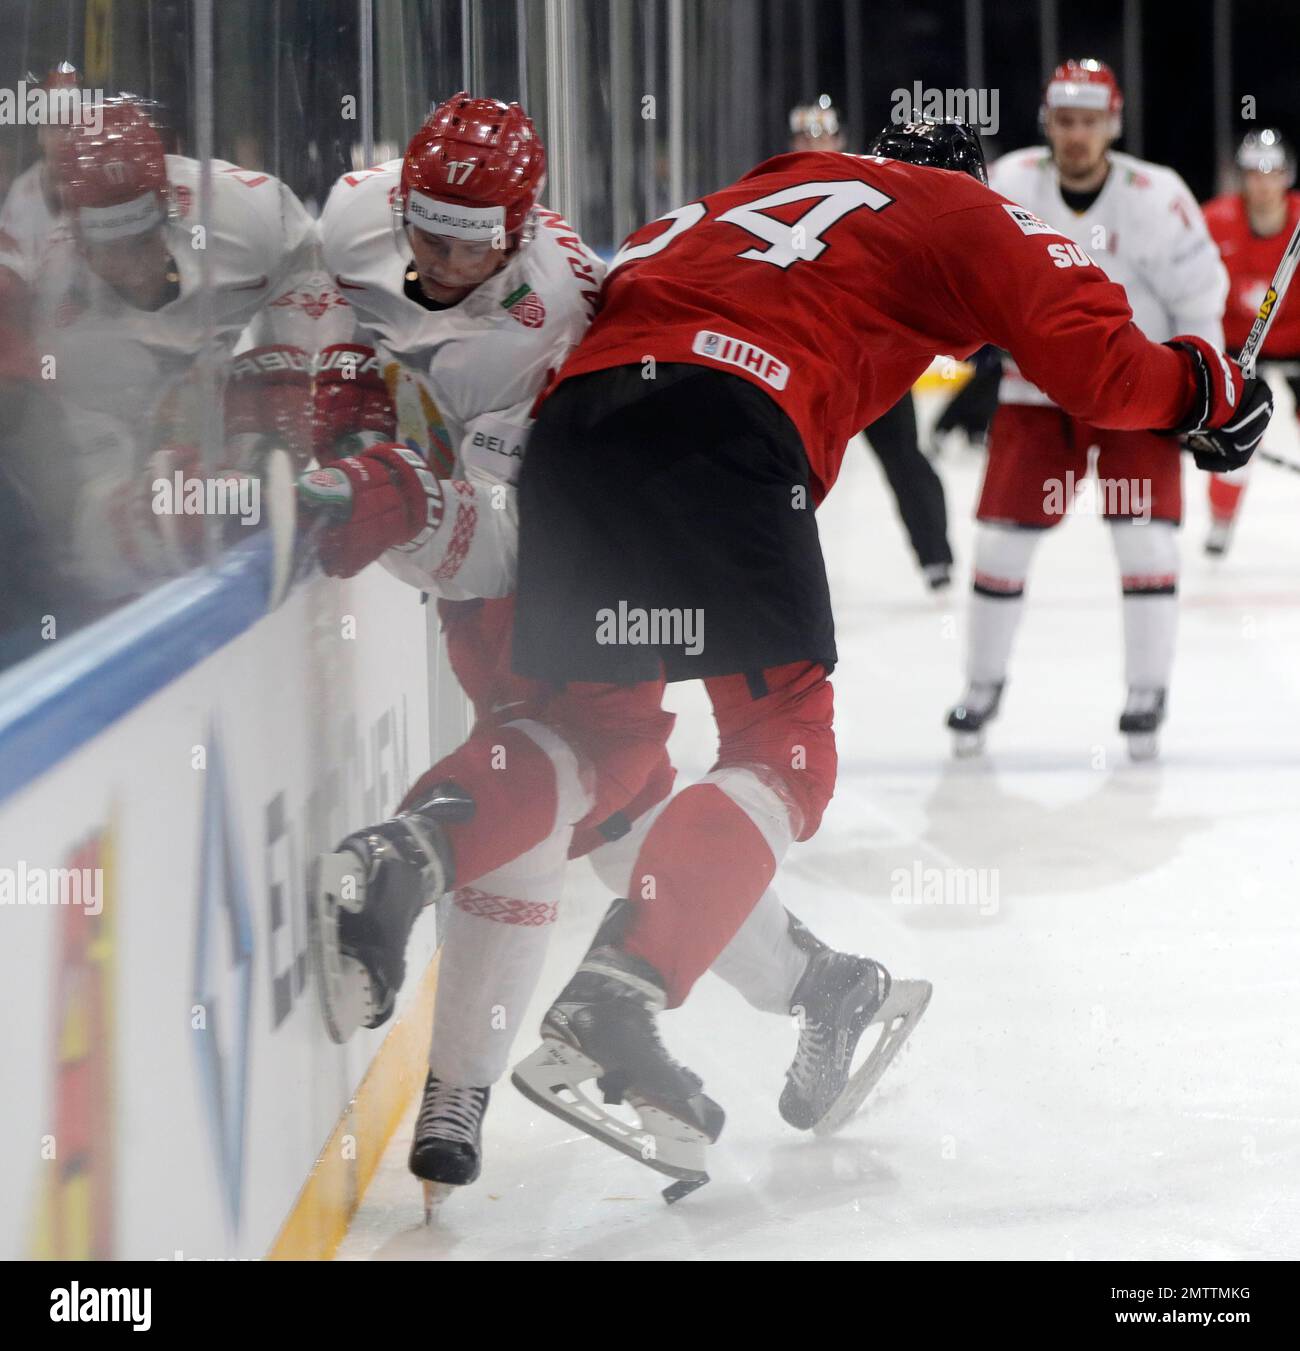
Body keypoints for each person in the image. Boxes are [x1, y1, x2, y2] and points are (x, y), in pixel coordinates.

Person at [310, 115, 1269, 1195]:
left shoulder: (763, 182)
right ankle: (617, 997)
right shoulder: (963, 205)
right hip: (725, 427)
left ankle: (404, 856)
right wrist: (1207, 392)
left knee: (597, 743)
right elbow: (1095, 361)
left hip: (568, 436)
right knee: (786, 750)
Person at [304, 93, 916, 1214]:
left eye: (464, 237)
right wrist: (339, 380)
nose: (433, 257)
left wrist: (392, 496)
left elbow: (500, 544)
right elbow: (322, 288)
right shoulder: (359, 213)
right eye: (419, 225)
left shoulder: (554, 327)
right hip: (615, 524)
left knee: (599, 763)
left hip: (581, 546)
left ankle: (455, 1070)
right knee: (615, 811)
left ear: (522, 225)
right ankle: (822, 983)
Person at [945, 60, 1230, 761]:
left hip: (1136, 393)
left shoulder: (1156, 196)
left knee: (1145, 540)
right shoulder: (1010, 181)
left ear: (1114, 123)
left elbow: (1198, 301)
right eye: (1065, 120)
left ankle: (1145, 692)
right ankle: (982, 686)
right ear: (1048, 121)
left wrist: (1208, 393)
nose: (1077, 135)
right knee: (1000, 545)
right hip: (1032, 393)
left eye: (1090, 121)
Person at [0, 96, 314, 639]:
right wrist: (143, 515)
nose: (129, 260)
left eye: (141, 234)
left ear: (168, 206)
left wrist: (296, 365)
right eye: (107, 241)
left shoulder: (242, 212)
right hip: (135, 436)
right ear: (74, 232)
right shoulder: (54, 313)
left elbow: (307, 257)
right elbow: (74, 495)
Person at [790, 98, 953, 588]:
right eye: (805, 137)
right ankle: (784, 569)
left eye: (823, 135)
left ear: (839, 140)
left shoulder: (866, 190)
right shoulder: (778, 194)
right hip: (808, 356)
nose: (815, 145)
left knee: (902, 453)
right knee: (788, 464)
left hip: (868, 353)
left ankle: (935, 557)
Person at [1201, 128, 1300, 556]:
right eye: (1253, 172)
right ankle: (1221, 522)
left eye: (1272, 171)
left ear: (1287, 175)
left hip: (1298, 343)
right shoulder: (1214, 220)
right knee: (1235, 435)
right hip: (1242, 346)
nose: (1263, 182)